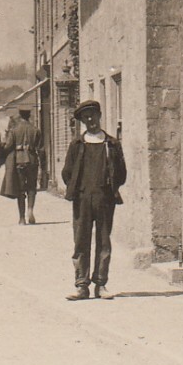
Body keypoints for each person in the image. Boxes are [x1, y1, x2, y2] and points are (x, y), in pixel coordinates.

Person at [60, 99, 126, 301]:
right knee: (81, 241)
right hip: (82, 199)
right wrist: (79, 190)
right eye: (86, 118)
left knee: (104, 242)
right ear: (82, 121)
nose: (91, 120)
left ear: (100, 116)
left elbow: (121, 173)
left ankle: (101, 284)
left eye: (93, 116)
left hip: (105, 199)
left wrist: (109, 188)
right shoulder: (77, 145)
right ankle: (82, 286)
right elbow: (67, 172)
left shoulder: (112, 144)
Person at [0, 108, 43, 224]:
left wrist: (1, 146)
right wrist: (43, 167)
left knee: (21, 190)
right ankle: (30, 210)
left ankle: (22, 218)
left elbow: (8, 147)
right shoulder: (35, 130)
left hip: (19, 161)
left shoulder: (14, 130)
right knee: (32, 187)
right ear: (29, 116)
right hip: (32, 160)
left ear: (20, 116)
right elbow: (41, 149)